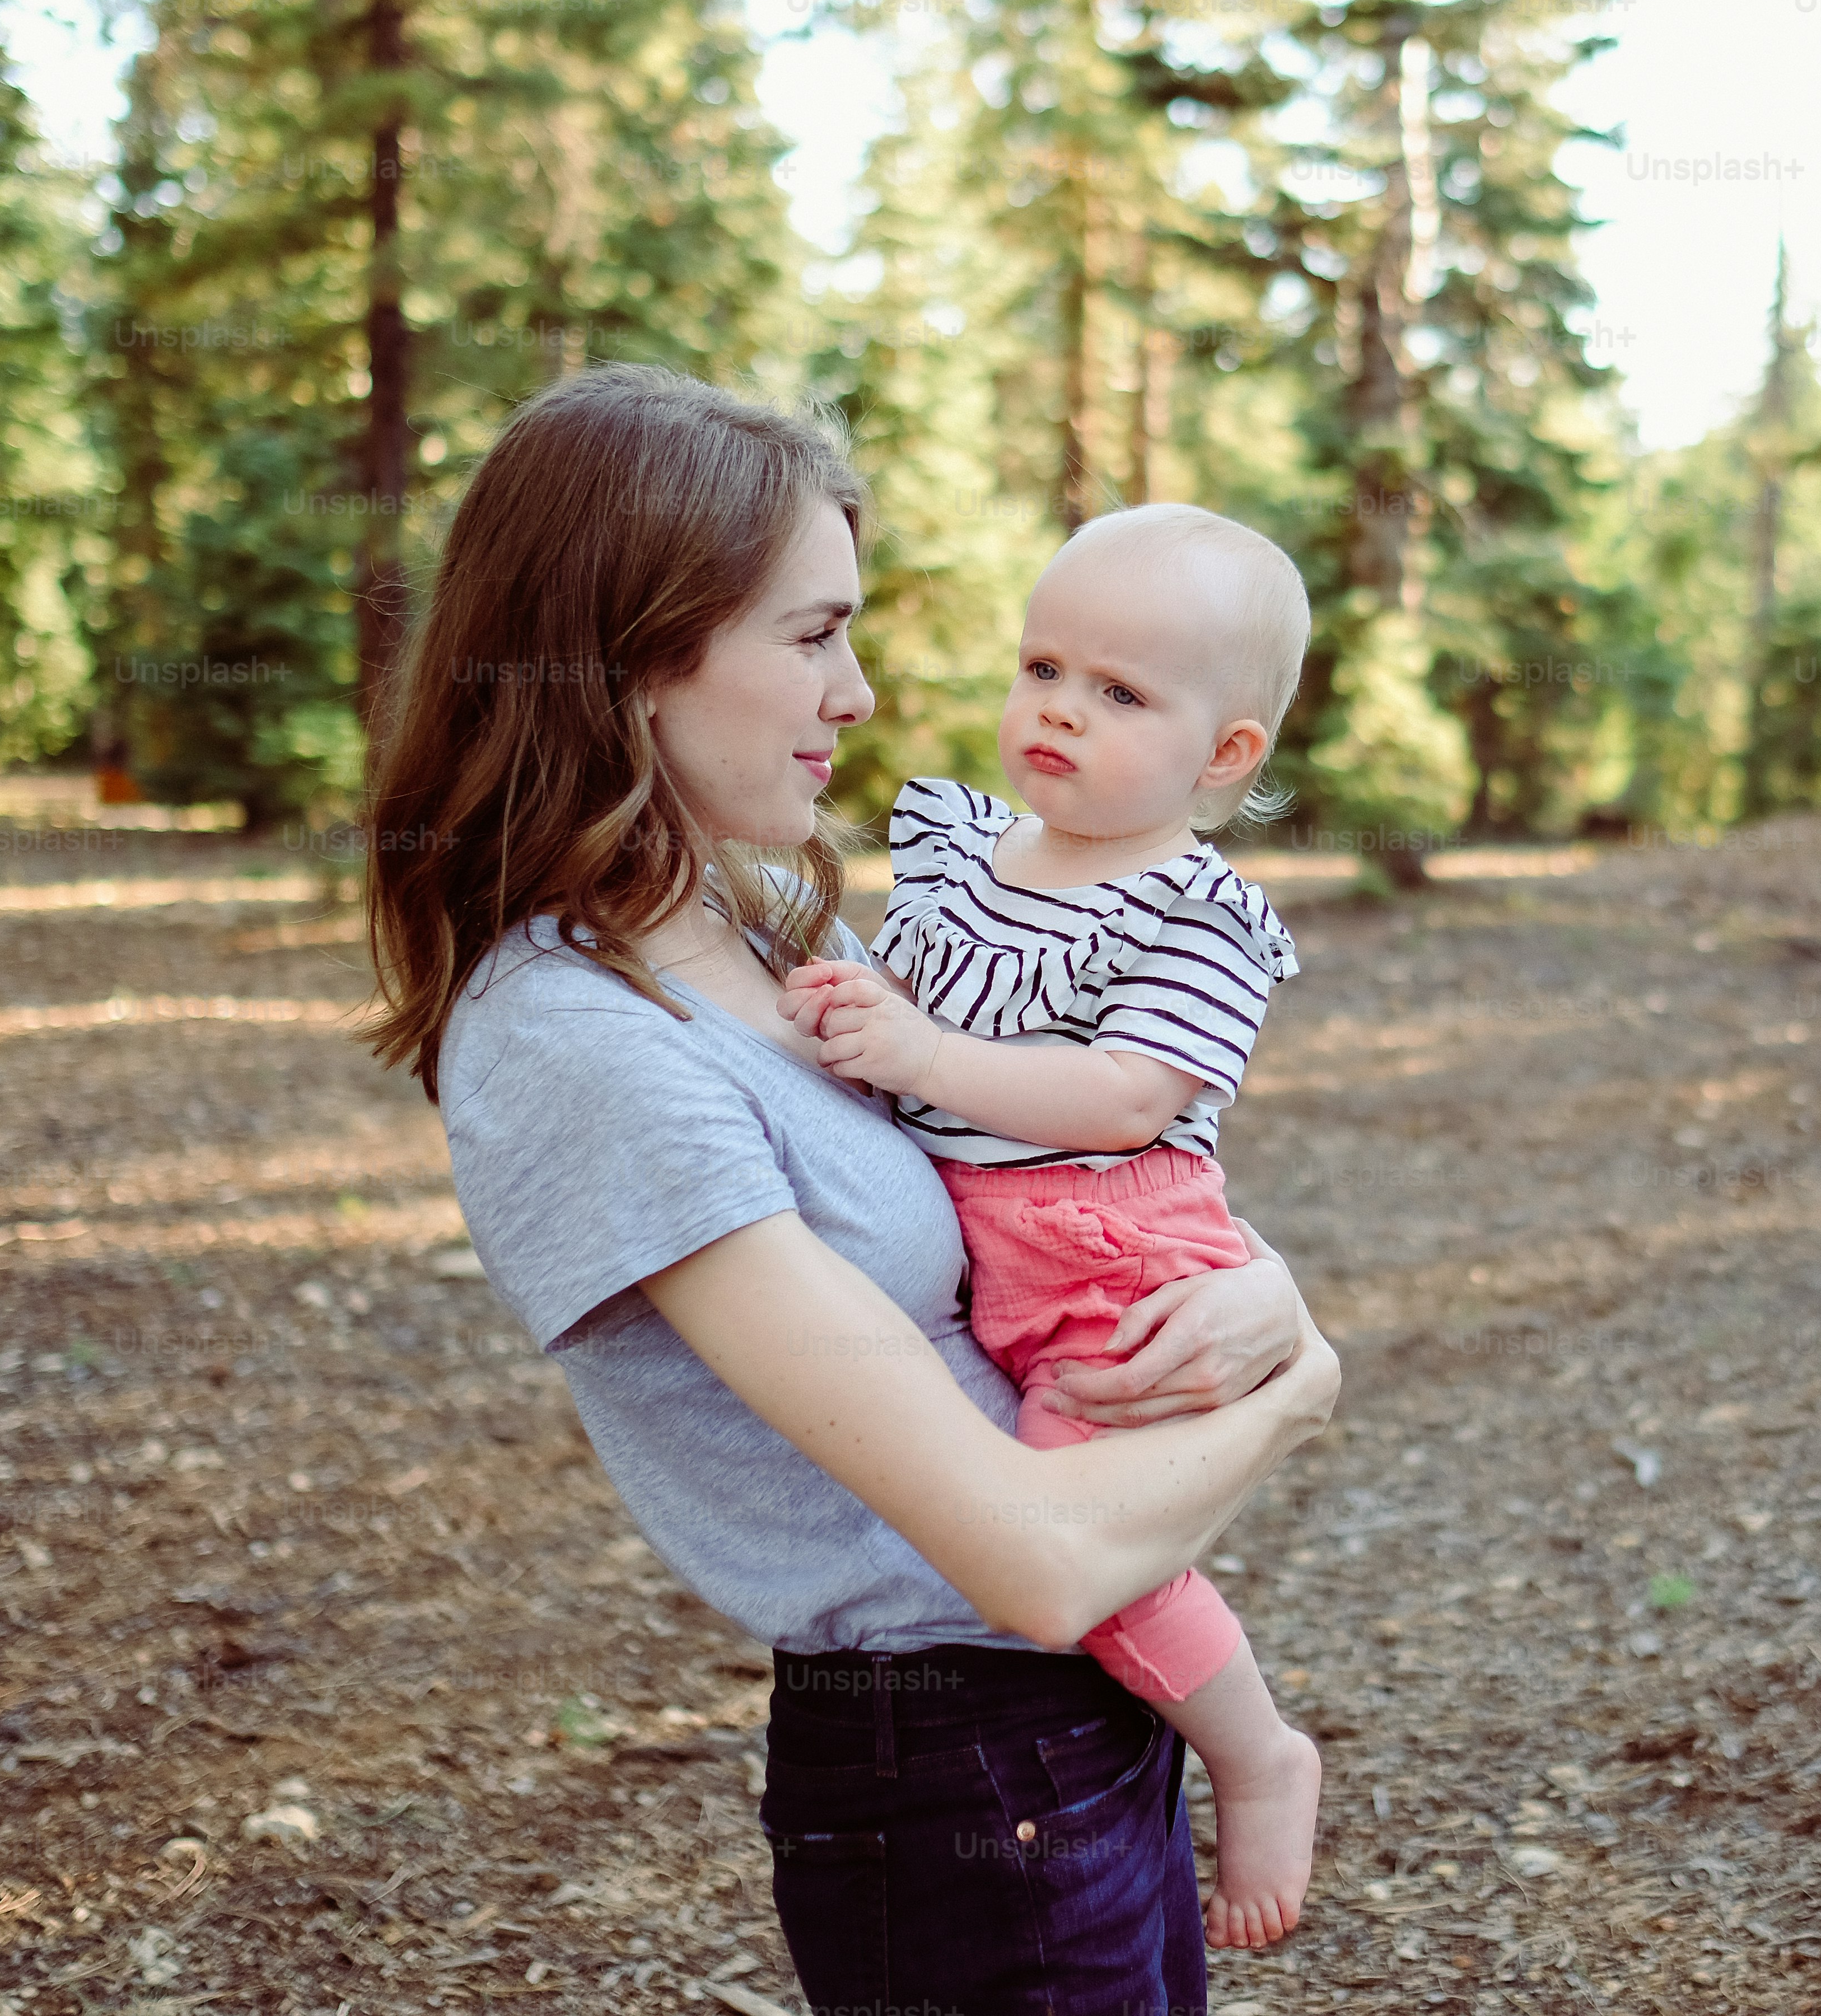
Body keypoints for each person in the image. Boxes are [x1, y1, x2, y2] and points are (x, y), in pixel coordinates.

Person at [360, 365, 1339, 2015]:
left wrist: (1259, 1287)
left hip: (1083, 1711)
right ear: (633, 648)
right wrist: (1304, 1381)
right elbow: (1030, 1559)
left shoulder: (755, 923)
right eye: (813, 635)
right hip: (957, 1758)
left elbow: (1061, 1144)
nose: (864, 692)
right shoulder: (579, 1042)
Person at [777, 504, 1324, 1948]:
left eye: (1122, 694)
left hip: (1108, 1238)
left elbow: (1128, 1099)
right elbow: (891, 997)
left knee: (1066, 1513)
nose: (1061, 711)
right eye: (1045, 668)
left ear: (1225, 757)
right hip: (1000, 1237)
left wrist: (926, 1062)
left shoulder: (1192, 912)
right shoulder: (966, 857)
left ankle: (1257, 1752)